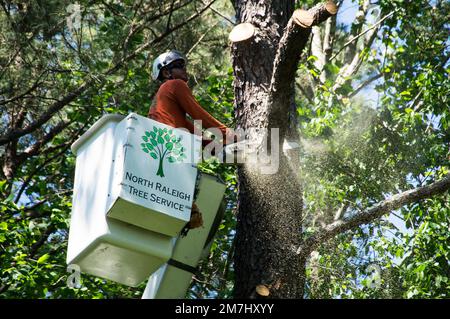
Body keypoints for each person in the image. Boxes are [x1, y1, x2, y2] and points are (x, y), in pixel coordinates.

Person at [148, 50, 234, 232]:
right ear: (166, 72)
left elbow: (190, 129)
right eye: (179, 66)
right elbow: (197, 114)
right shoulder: (174, 85)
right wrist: (228, 135)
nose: (185, 70)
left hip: (161, 158)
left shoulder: (164, 107)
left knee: (181, 207)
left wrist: (215, 147)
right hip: (173, 150)